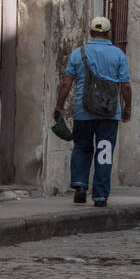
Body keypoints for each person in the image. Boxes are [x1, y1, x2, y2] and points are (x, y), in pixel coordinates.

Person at [55, 16, 131, 207]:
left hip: (84, 110)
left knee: (82, 146)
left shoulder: (78, 54)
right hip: (109, 111)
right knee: (104, 151)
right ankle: (100, 195)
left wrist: (59, 105)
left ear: (90, 32)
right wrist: (127, 107)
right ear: (109, 33)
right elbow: (125, 85)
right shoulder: (118, 55)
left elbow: (66, 83)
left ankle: (80, 186)